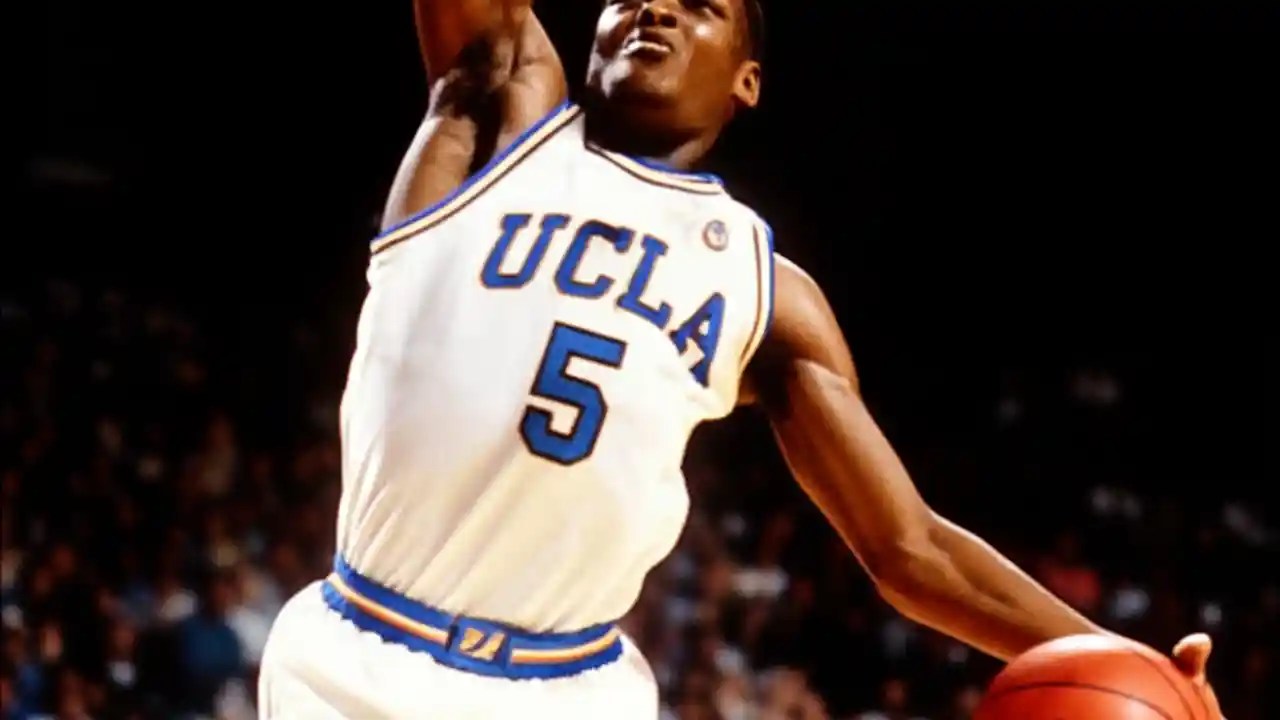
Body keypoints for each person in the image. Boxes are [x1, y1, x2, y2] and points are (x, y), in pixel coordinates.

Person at [257, 1, 1221, 717]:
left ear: (746, 80)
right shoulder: (496, 113)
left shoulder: (768, 290)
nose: (657, 7)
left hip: (564, 690)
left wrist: (1134, 668)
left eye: (701, 6)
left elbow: (907, 548)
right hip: (355, 658)